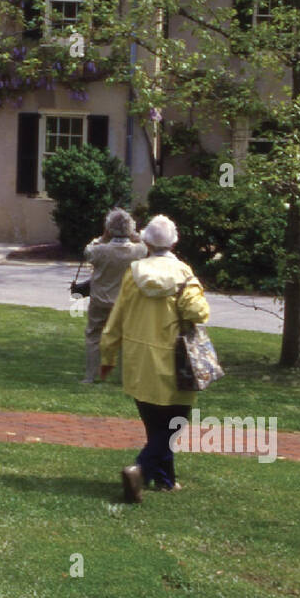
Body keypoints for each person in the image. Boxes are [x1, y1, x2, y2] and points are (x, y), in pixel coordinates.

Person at [99, 214, 210, 501]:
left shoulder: (133, 272)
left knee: (155, 425)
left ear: (146, 240)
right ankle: (140, 469)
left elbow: (117, 318)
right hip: (176, 361)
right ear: (174, 242)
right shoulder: (184, 274)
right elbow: (197, 312)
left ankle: (165, 479)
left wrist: (108, 355)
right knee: (173, 426)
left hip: (139, 361)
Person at [81, 208, 149, 385]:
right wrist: (134, 234)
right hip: (127, 302)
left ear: (108, 229)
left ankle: (90, 376)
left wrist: (104, 236)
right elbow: (145, 243)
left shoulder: (99, 250)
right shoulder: (138, 251)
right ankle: (126, 378)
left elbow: (87, 251)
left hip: (100, 301)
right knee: (127, 338)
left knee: (94, 335)